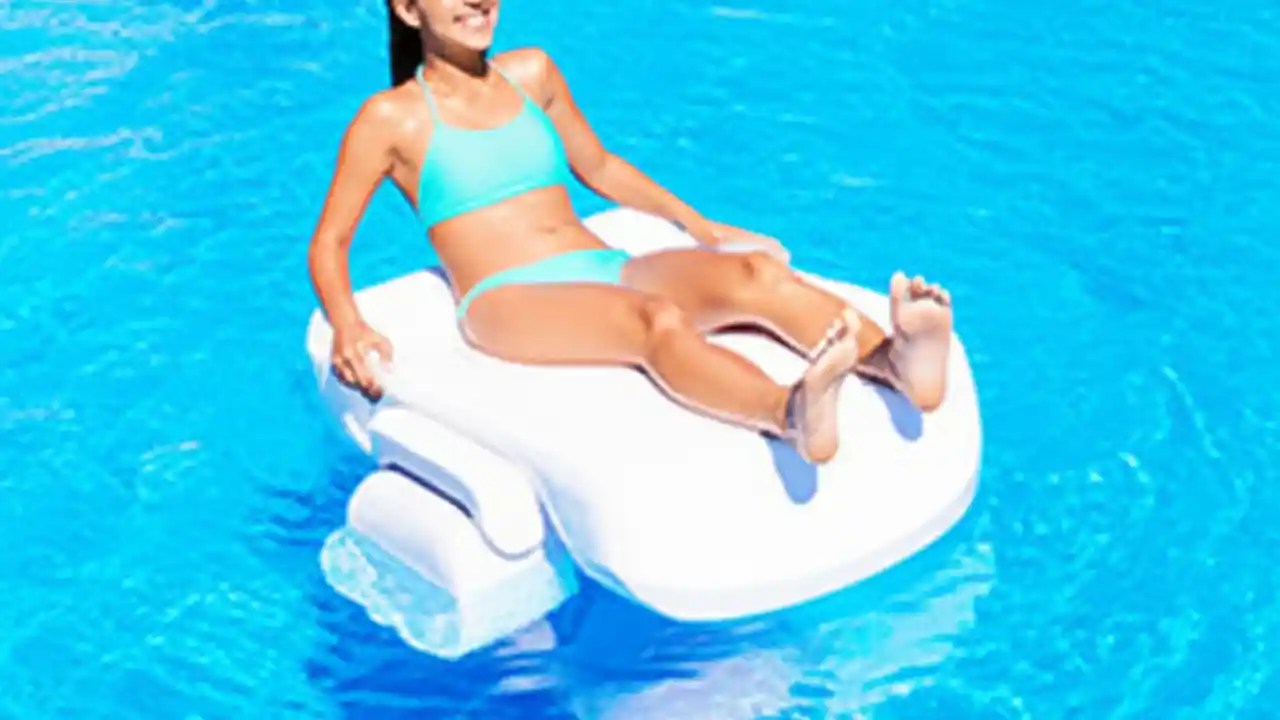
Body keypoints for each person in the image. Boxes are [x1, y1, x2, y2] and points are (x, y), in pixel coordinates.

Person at [307, 0, 955, 465]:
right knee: (655, 322)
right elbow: (330, 242)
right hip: (505, 301)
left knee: (756, 275)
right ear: (409, 9)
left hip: (601, 265)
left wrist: (702, 229)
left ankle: (893, 361)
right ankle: (786, 412)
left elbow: (599, 166)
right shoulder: (390, 119)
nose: (480, 2)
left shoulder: (530, 73)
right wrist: (347, 323)